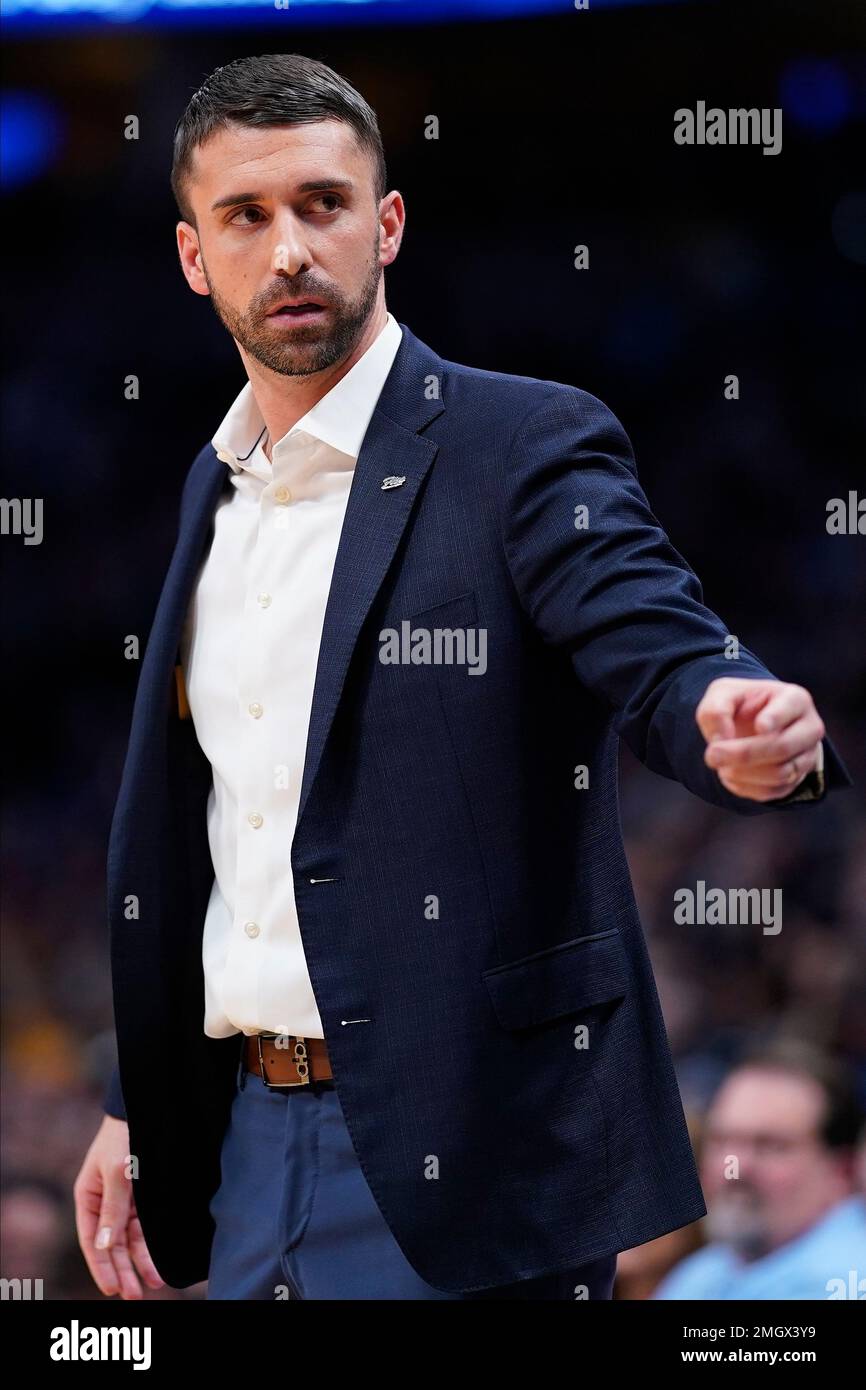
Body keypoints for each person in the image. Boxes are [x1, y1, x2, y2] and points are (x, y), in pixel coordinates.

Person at [73, 53, 852, 1301]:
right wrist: (137, 1103)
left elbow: (645, 632)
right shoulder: (206, 487)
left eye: (322, 204)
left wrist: (724, 709)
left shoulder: (518, 441)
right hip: (241, 1142)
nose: (289, 250)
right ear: (190, 254)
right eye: (246, 216)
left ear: (385, 225)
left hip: (469, 1149)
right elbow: (217, 838)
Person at [653, 1042, 866, 1299]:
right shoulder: (702, 1273)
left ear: (841, 1170)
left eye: (770, 1146)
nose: (735, 1168)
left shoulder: (847, 1282)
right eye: (722, 1140)